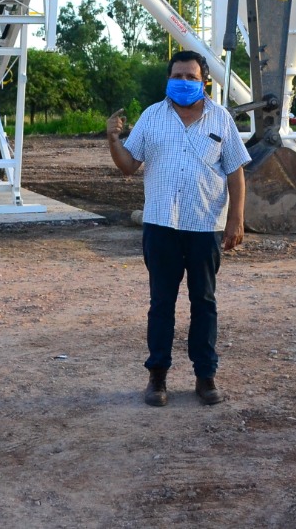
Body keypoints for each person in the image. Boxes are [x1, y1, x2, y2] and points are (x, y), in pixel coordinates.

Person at [106, 51, 250, 408]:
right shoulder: (152, 117)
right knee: (161, 304)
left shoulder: (221, 119)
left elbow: (235, 171)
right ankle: (157, 377)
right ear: (168, 80)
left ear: (203, 82)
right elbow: (129, 167)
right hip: (161, 225)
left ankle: (205, 376)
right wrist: (113, 140)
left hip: (204, 225)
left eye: (191, 77)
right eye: (178, 76)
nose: (183, 82)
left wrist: (236, 219)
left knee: (204, 302)